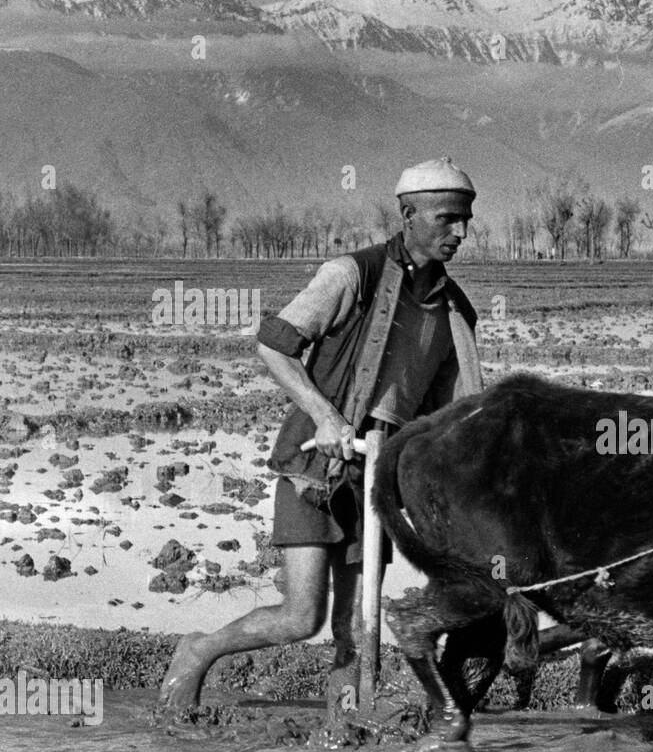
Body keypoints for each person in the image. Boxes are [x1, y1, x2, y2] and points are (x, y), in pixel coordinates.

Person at [158, 158, 484, 722]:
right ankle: (197, 649)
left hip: (376, 477)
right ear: (407, 215)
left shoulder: (454, 310)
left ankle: (343, 732)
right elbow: (274, 343)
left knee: (358, 624)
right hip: (313, 468)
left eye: (466, 220)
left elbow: (453, 412)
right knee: (300, 617)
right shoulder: (349, 275)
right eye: (446, 218)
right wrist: (326, 417)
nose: (460, 232)